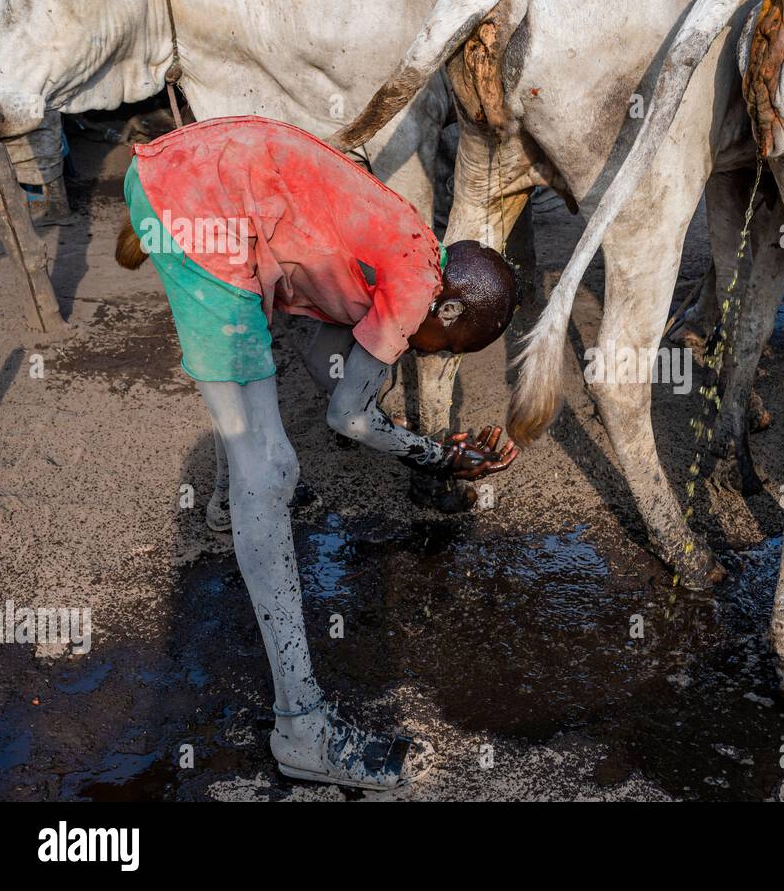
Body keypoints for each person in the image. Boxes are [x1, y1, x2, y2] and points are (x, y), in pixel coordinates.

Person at [117, 115, 519, 788]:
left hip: (189, 176)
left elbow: (334, 379)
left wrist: (430, 452)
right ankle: (301, 728)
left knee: (252, 408)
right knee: (270, 468)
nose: (435, 363)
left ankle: (223, 504)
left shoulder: (397, 245)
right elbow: (348, 416)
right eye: (448, 350)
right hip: (197, 203)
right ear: (447, 310)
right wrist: (437, 458)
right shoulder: (417, 284)